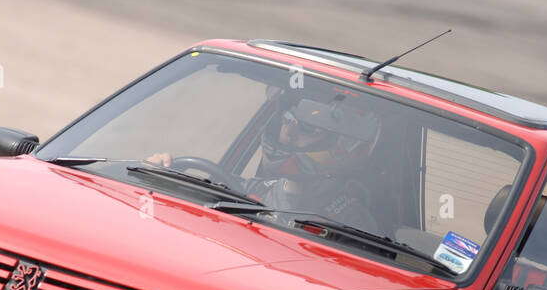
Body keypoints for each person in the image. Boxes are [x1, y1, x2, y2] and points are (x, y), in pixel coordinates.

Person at [148, 96, 383, 231]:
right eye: (287, 120)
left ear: (343, 144)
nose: (287, 133)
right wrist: (155, 175)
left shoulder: (354, 224)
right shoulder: (250, 189)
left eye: (309, 128)